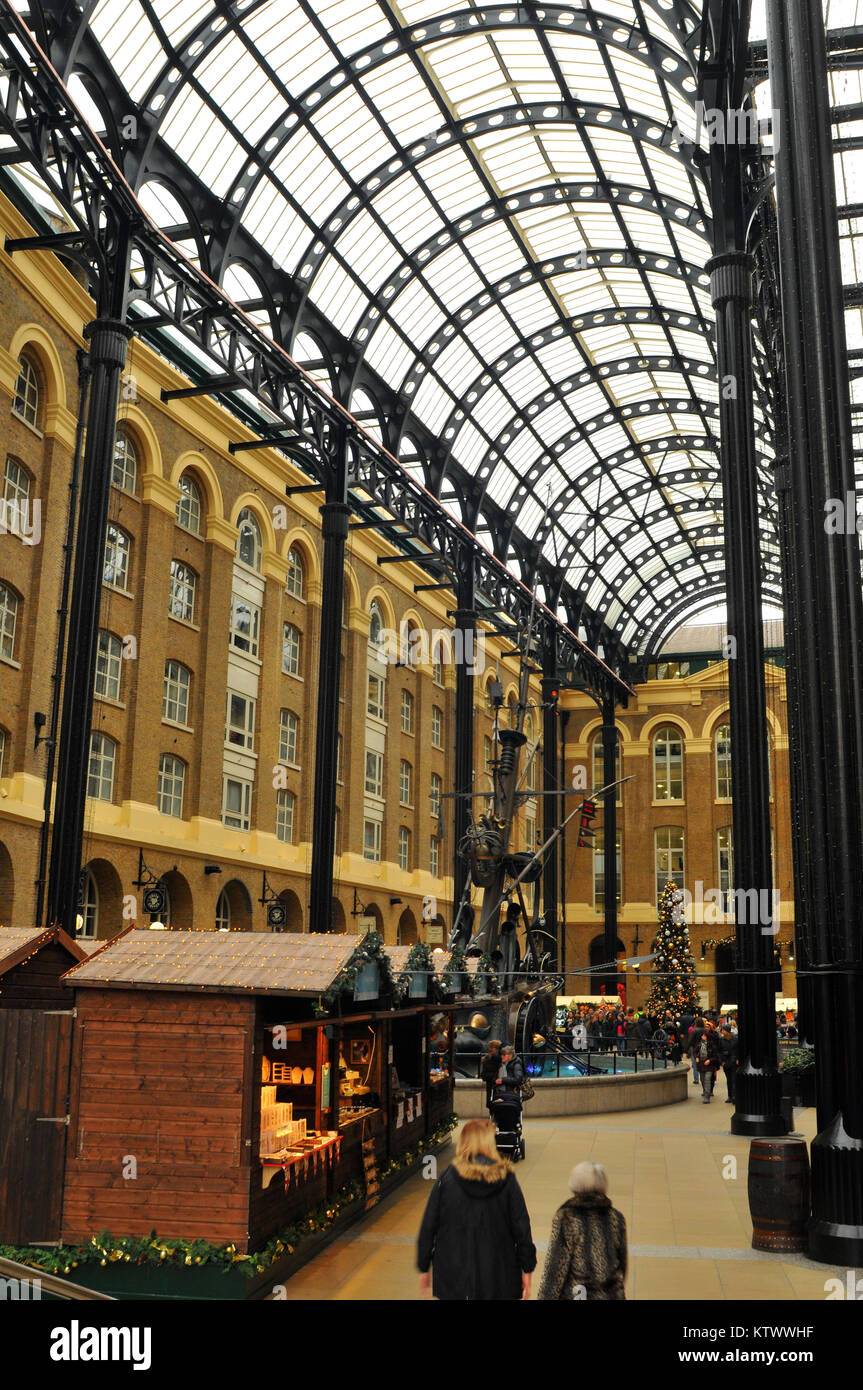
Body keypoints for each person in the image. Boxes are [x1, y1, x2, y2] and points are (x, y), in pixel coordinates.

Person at [417, 1118, 536, 1300]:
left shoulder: (447, 1179)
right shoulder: (507, 1179)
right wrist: (527, 1267)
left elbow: (429, 1225)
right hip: (498, 1273)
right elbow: (521, 1227)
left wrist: (423, 1265)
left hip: (454, 1273)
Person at [538, 1161, 627, 1301]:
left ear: (575, 1187)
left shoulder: (567, 1218)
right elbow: (622, 1265)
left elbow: (555, 1270)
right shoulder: (616, 1217)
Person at [696, 1024, 721, 1102]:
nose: (702, 1037)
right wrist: (696, 1057)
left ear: (707, 1037)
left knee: (707, 1080)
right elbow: (695, 1051)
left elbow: (716, 1056)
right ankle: (705, 1091)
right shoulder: (700, 1044)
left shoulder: (712, 1046)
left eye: (703, 1036)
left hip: (709, 1065)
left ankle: (707, 1097)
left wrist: (709, 1060)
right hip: (701, 1064)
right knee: (702, 1080)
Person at [480, 1039, 502, 1109]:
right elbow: (483, 1075)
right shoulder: (486, 1060)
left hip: (497, 1086)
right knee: (493, 1104)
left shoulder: (501, 1059)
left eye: (493, 1047)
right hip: (491, 1085)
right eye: (490, 1047)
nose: (491, 1049)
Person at [719, 1026, 738, 1103]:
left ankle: (734, 1096)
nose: (722, 1031)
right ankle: (730, 1096)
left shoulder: (736, 1039)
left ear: (727, 1031)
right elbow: (719, 1051)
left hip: (734, 1062)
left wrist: (738, 1059)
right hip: (726, 1062)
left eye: (723, 1030)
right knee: (729, 1080)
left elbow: (739, 1049)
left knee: (734, 1080)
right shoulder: (721, 1040)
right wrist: (721, 1062)